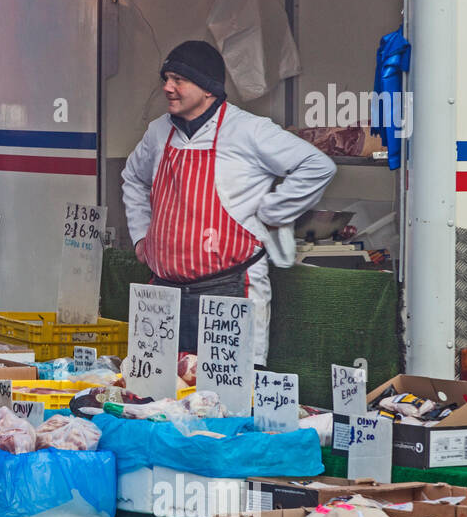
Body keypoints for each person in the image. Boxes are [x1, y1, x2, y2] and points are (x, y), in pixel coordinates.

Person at [121, 40, 336, 367]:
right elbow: (133, 177)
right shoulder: (158, 132)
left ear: (208, 88)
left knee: (227, 390)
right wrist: (141, 235)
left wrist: (273, 211)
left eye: (179, 79)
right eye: (166, 78)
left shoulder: (249, 130)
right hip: (164, 293)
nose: (167, 87)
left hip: (229, 288)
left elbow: (317, 166)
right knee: (157, 389)